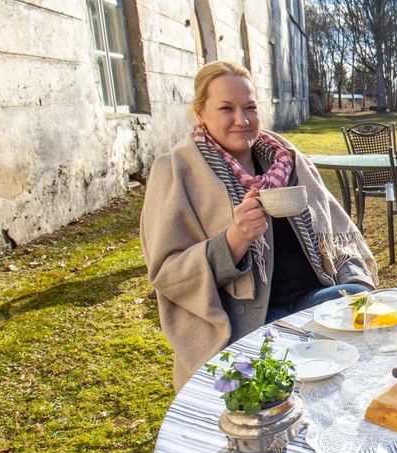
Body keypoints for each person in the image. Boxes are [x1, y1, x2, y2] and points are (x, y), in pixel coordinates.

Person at [141, 61, 377, 389]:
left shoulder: (287, 159)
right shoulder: (176, 170)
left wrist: (357, 284)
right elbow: (168, 273)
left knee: (368, 325)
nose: (242, 120)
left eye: (250, 107)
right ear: (200, 111)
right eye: (226, 108)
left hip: (317, 300)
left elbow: (338, 236)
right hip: (251, 321)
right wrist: (234, 240)